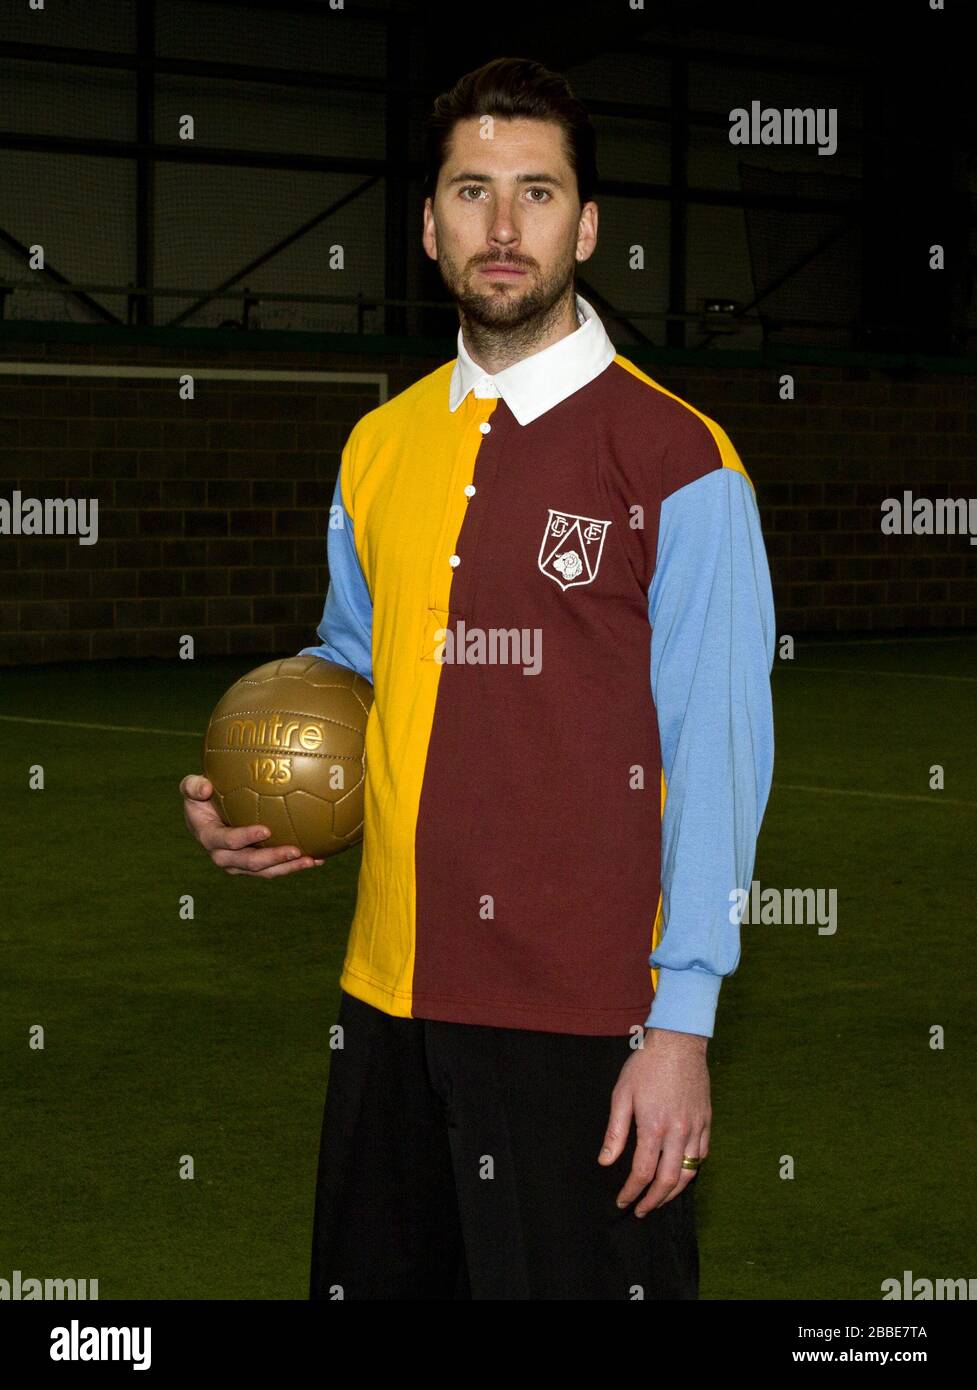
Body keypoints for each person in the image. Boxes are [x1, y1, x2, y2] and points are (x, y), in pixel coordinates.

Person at [181, 55, 775, 1300]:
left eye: (537, 193)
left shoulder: (678, 460)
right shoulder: (377, 444)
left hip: (587, 1017)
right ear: (426, 225)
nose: (501, 229)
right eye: (469, 192)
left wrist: (682, 1023)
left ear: (588, 224)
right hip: (387, 1003)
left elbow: (717, 752)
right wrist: (268, 788)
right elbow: (355, 667)